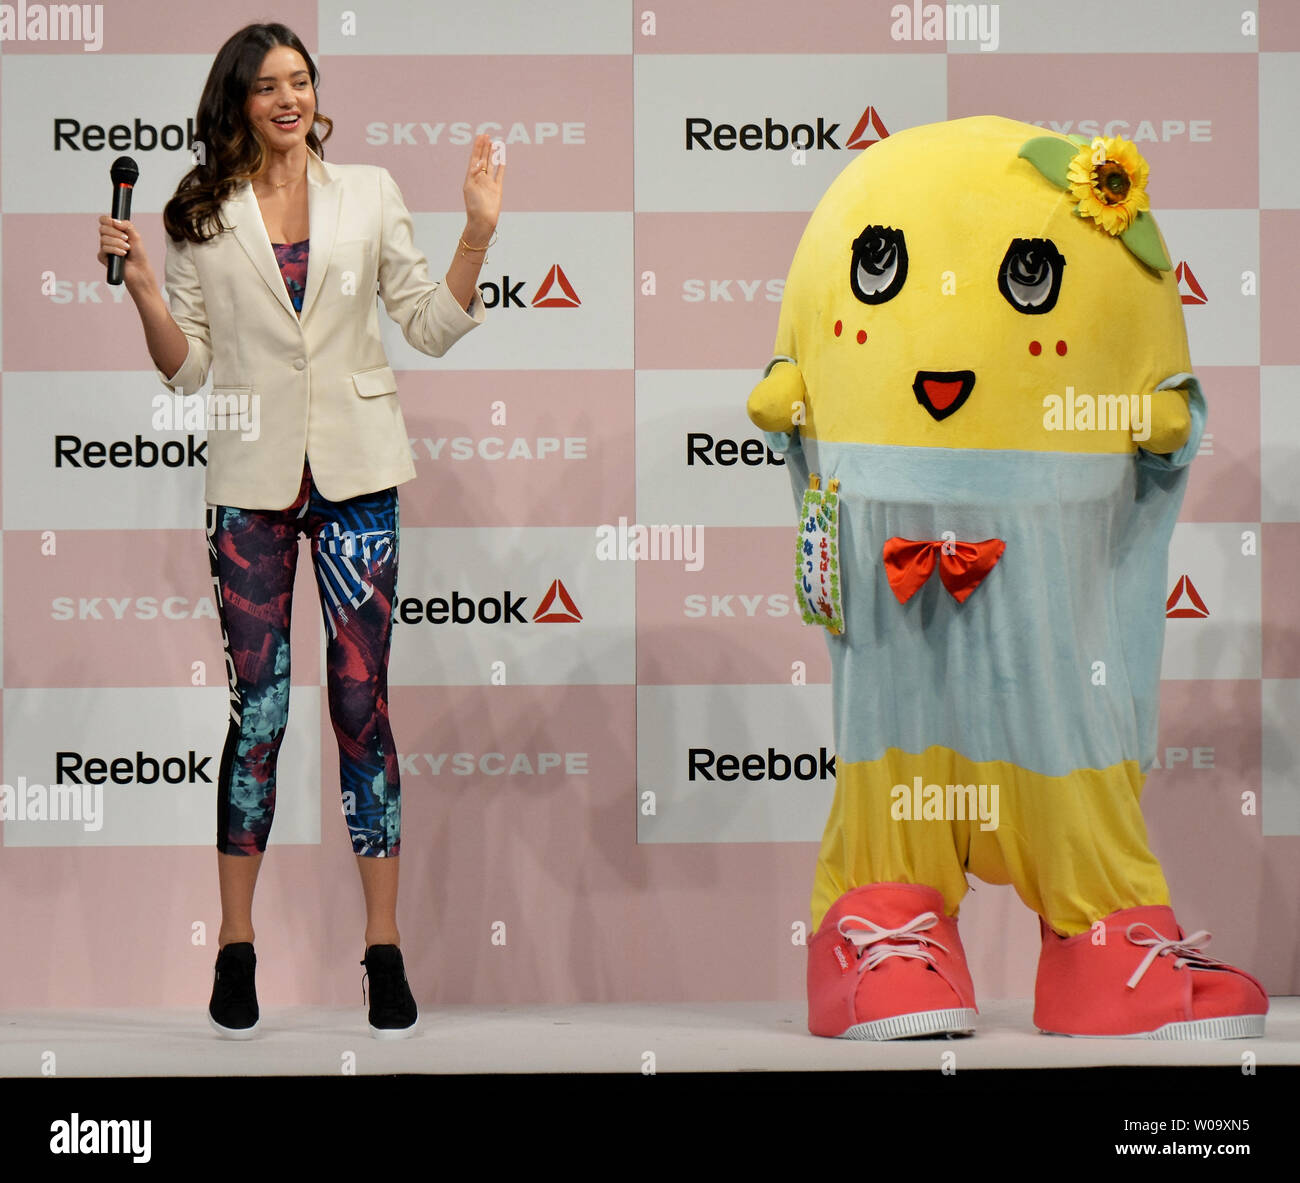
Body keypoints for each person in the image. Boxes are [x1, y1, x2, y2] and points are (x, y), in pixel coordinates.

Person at [96, 22, 503, 1039]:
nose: (288, 96)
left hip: (359, 473)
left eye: (301, 80)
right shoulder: (199, 211)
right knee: (261, 713)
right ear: (238, 99)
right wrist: (147, 287)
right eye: (268, 83)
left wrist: (477, 235)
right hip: (251, 481)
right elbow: (187, 371)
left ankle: (383, 949)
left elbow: (430, 324)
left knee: (362, 705)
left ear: (316, 95)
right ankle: (236, 948)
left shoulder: (365, 191)